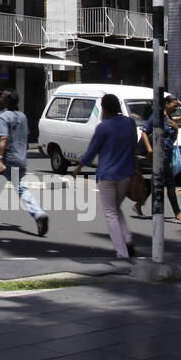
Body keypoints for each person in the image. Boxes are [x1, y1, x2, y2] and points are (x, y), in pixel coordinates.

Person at [72, 93, 138, 259]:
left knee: (110, 213)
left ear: (104, 108)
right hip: (126, 173)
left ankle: (122, 252)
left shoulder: (103, 127)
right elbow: (133, 146)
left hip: (107, 174)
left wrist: (79, 167)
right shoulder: (130, 123)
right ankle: (128, 239)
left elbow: (92, 150)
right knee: (115, 208)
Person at [0, 90, 49, 236]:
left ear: (5, 101)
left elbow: (3, 139)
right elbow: (26, 136)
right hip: (21, 159)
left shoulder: (3, 117)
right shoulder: (22, 116)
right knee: (22, 189)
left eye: (2, 96)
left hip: (6, 159)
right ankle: (38, 213)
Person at [140, 95, 181, 225]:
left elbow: (172, 139)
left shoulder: (170, 119)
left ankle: (139, 204)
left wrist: (176, 129)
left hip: (168, 154)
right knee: (170, 183)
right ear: (167, 104)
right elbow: (144, 132)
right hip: (160, 155)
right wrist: (149, 149)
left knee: (156, 181)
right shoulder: (156, 117)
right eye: (175, 105)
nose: (176, 108)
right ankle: (178, 214)